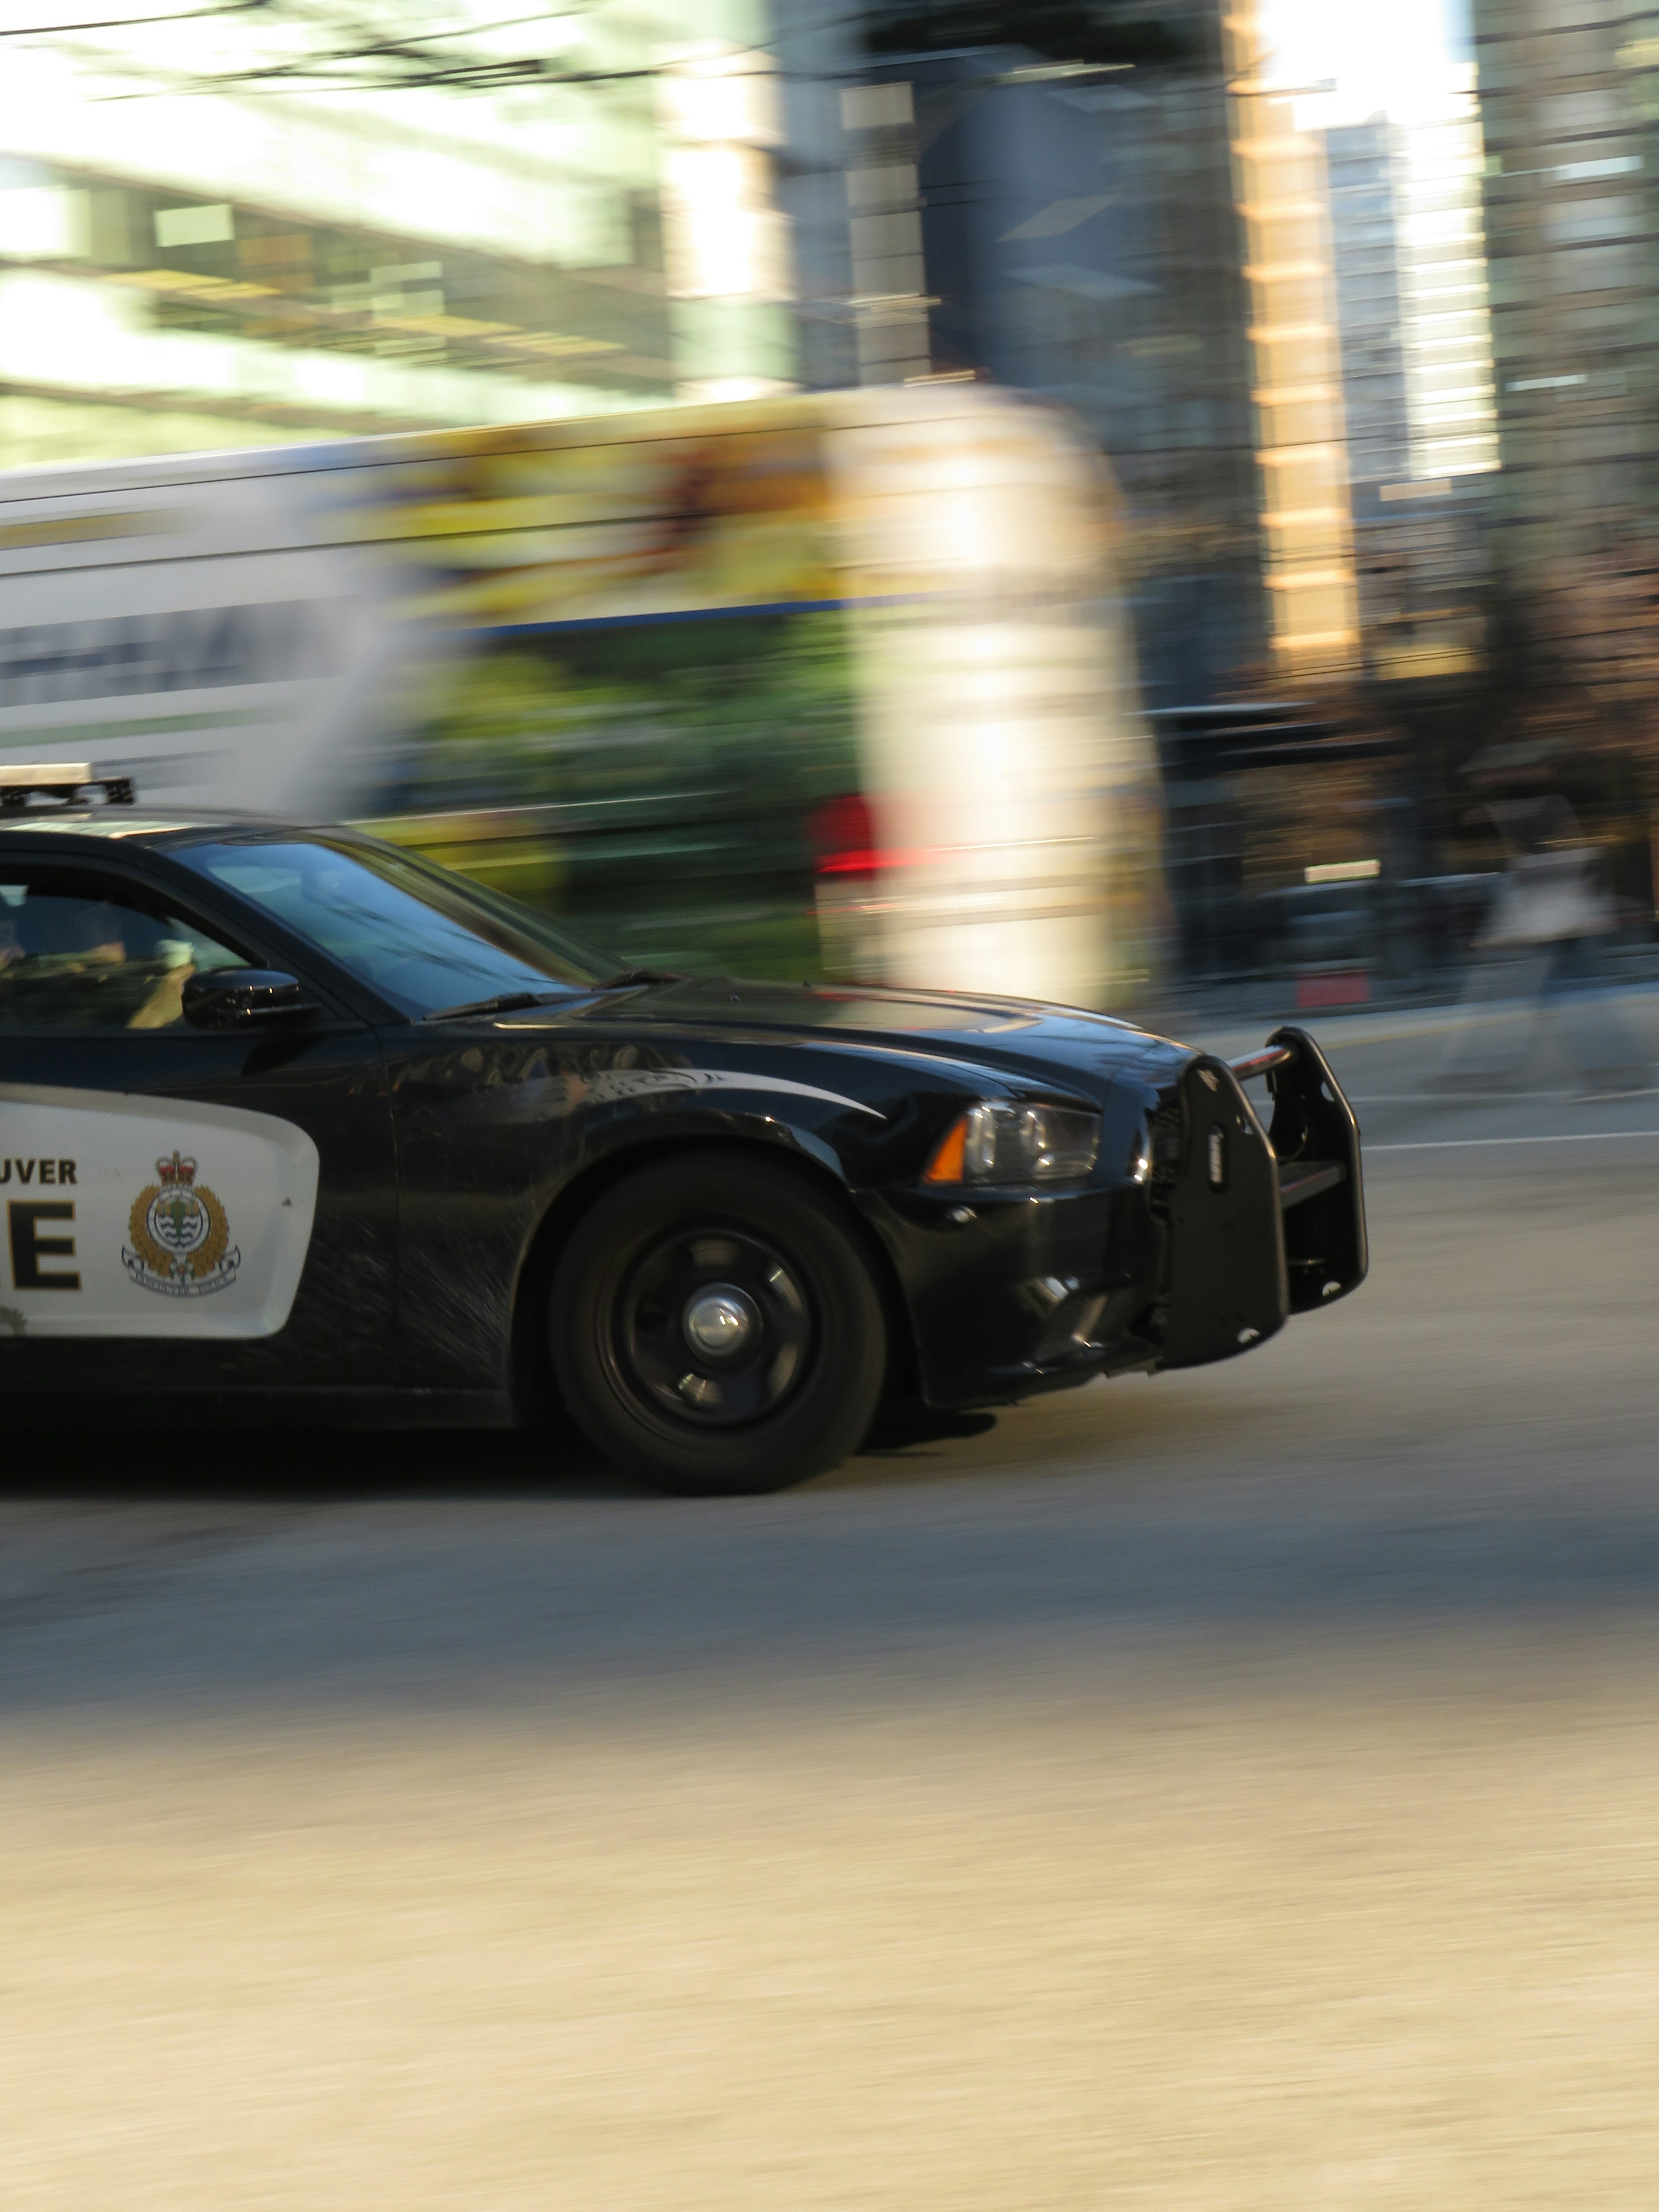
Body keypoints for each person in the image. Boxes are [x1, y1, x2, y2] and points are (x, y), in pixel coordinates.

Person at [1440, 793, 1647, 1093]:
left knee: (1542, 1003)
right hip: (1564, 935)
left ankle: (1484, 1068)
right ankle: (1611, 1067)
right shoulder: (1560, 857)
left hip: (1557, 938)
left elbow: (1528, 903)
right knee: (1576, 1002)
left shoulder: (1541, 860)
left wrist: (1497, 937)